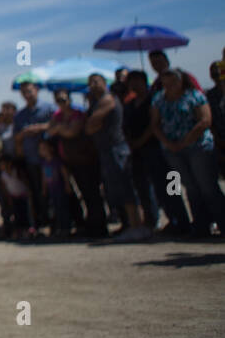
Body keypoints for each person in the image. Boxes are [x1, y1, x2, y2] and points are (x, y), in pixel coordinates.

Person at [151, 68, 225, 237]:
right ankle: (200, 226)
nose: (168, 85)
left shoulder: (194, 95)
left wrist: (185, 141)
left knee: (208, 187)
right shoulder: (159, 99)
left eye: (172, 81)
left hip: (198, 147)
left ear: (181, 80)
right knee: (189, 188)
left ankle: (222, 222)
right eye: (165, 82)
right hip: (172, 150)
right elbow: (155, 124)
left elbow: (205, 120)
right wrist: (169, 143)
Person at [124, 69, 191, 235]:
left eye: (137, 81)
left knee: (171, 185)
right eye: (131, 81)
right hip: (139, 152)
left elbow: (155, 124)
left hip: (159, 148)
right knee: (153, 190)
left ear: (143, 81)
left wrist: (141, 140)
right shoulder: (131, 104)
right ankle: (160, 220)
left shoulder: (155, 99)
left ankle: (181, 220)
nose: (133, 85)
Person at [84, 72, 149, 241]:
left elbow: (91, 124)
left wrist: (93, 122)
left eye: (96, 81)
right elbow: (90, 126)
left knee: (126, 187)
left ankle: (138, 225)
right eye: (90, 82)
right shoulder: (96, 102)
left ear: (105, 83)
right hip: (106, 149)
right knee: (117, 189)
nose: (93, 85)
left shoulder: (108, 99)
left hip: (116, 148)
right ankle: (128, 224)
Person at [50, 89, 106, 238]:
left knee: (92, 193)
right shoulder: (57, 116)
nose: (61, 103)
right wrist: (63, 128)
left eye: (63, 99)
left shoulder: (78, 114)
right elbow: (50, 131)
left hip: (85, 159)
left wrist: (60, 128)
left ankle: (100, 227)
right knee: (80, 193)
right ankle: (88, 225)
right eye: (58, 100)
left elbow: (72, 132)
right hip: (69, 160)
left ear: (69, 99)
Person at [13, 82, 54, 237]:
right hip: (30, 160)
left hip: (50, 159)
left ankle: (58, 224)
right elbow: (17, 137)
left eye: (29, 91)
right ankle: (41, 224)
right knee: (36, 193)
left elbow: (57, 124)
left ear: (36, 90)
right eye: (24, 92)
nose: (27, 95)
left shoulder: (49, 109)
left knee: (53, 192)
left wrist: (41, 128)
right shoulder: (20, 115)